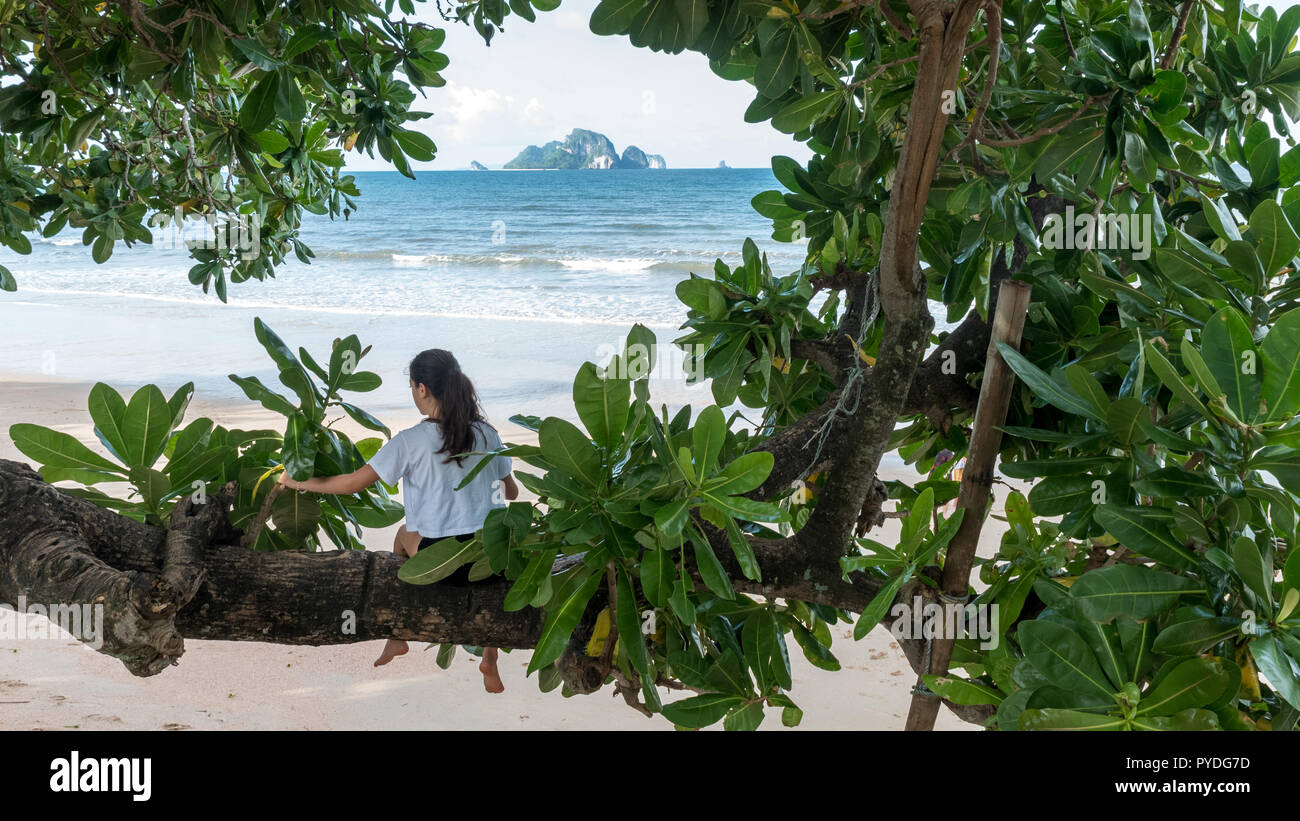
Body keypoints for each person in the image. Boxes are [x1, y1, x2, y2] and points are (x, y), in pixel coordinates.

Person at [278, 348, 519, 693]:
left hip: (444, 566)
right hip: (491, 561)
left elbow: (352, 484)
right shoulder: (487, 433)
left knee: (403, 532)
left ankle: (397, 635)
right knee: (488, 548)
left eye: (411, 387)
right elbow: (511, 493)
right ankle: (490, 659)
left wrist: (297, 481)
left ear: (422, 389)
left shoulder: (411, 440)